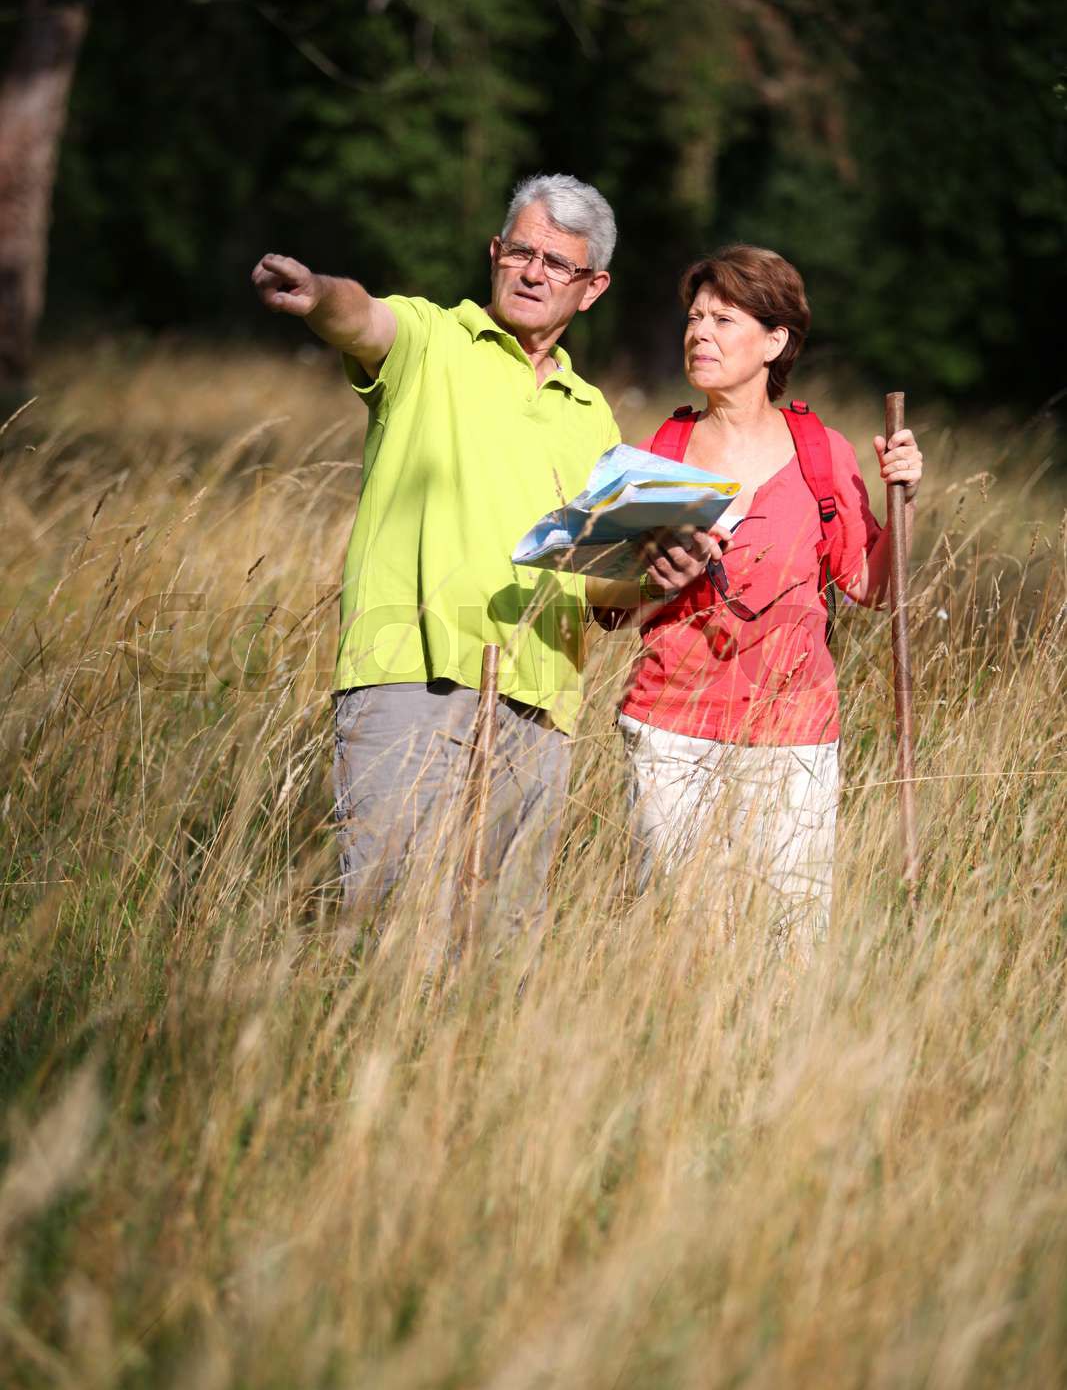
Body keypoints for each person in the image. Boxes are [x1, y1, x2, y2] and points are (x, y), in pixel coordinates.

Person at [252, 173, 667, 929]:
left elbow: (603, 591)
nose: (533, 272)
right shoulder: (432, 338)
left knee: (503, 938)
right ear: (494, 252)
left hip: (538, 701)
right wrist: (317, 294)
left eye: (558, 263)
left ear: (592, 287)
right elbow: (361, 319)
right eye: (520, 251)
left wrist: (653, 577)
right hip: (412, 676)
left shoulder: (593, 416)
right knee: (392, 920)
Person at [599, 243, 923, 951]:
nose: (699, 334)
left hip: (795, 734)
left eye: (722, 319)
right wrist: (646, 576)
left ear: (776, 341)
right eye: (694, 318)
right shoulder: (662, 450)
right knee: (676, 937)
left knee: (789, 940)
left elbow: (869, 588)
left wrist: (903, 501)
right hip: (670, 725)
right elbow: (610, 607)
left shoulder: (821, 451)